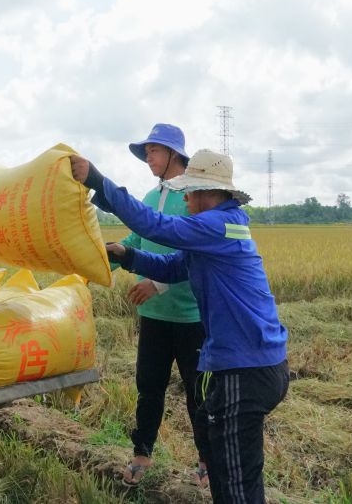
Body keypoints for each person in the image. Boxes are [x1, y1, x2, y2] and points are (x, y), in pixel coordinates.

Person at [72, 149, 289, 504]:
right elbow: (175, 268)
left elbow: (157, 226)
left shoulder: (217, 225)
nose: (184, 197)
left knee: (231, 478)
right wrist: (128, 256)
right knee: (236, 468)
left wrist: (98, 181)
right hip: (255, 364)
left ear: (207, 194)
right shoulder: (221, 228)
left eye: (189, 192)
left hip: (245, 369)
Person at [116, 124, 208, 488]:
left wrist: (157, 283)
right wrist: (97, 260)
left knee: (198, 392)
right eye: (147, 152)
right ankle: (142, 453)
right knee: (149, 386)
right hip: (153, 317)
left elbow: (198, 251)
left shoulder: (196, 196)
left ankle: (206, 460)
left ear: (173, 153)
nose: (148, 159)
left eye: (153, 151)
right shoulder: (150, 198)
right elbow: (134, 239)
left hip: (191, 315)